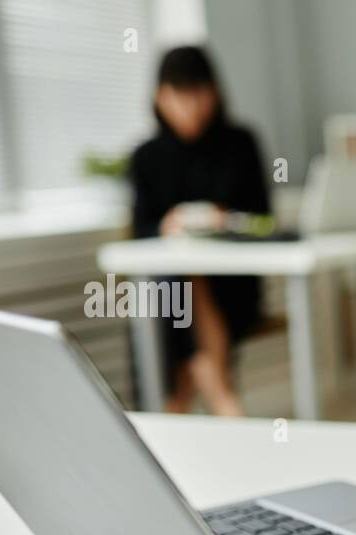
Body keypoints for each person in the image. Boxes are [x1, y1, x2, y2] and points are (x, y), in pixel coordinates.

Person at [129, 45, 270, 416]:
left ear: (215, 92)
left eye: (199, 93)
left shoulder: (240, 144)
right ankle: (222, 397)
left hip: (233, 287)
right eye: (180, 95)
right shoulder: (146, 157)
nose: (191, 106)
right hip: (171, 288)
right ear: (161, 97)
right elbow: (140, 229)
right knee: (176, 284)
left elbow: (262, 219)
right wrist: (166, 224)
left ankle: (175, 407)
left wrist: (226, 220)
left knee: (176, 292)